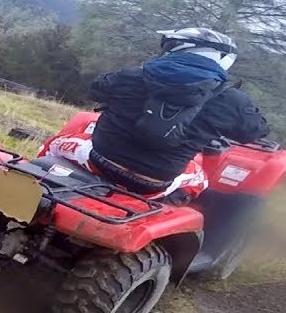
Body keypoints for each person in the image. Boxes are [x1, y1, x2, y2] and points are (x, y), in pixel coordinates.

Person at [42, 27, 270, 199]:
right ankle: (166, 209)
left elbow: (96, 90)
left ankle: (37, 184)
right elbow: (254, 132)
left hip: (101, 161)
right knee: (201, 180)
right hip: (153, 183)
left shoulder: (132, 75)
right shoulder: (232, 99)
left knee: (55, 143)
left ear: (178, 49)